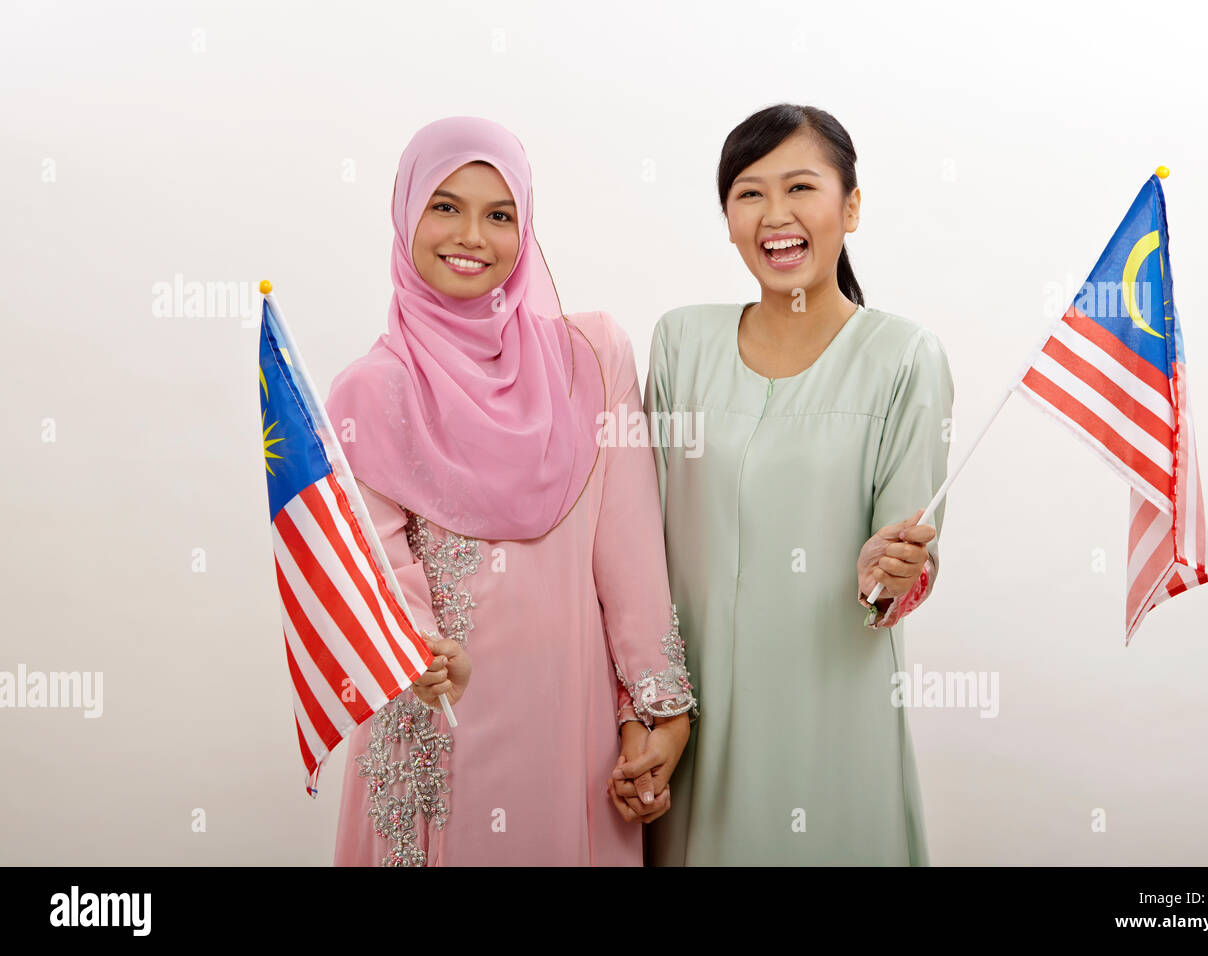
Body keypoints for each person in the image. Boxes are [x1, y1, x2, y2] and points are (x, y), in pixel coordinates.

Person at [325, 116, 696, 866]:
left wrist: (657, 711)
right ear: (405, 217)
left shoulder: (590, 358)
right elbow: (381, 579)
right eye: (444, 206)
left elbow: (629, 551)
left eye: (500, 215)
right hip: (440, 736)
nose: (472, 235)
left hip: (571, 730)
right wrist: (421, 652)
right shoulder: (370, 393)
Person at [640, 104, 953, 865]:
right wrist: (643, 708)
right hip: (689, 721)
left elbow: (902, 574)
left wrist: (893, 573)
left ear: (850, 206)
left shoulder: (905, 358)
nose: (775, 215)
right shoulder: (682, 342)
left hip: (828, 718)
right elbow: (634, 542)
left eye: (801, 188)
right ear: (727, 217)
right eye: (750, 193)